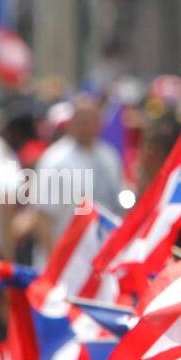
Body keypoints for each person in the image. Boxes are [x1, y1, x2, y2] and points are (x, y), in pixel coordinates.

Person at [33, 95, 123, 253]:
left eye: (91, 121)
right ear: (72, 123)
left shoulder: (110, 157)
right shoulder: (55, 161)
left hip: (100, 254)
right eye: (82, 121)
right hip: (66, 258)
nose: (86, 127)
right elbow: (43, 217)